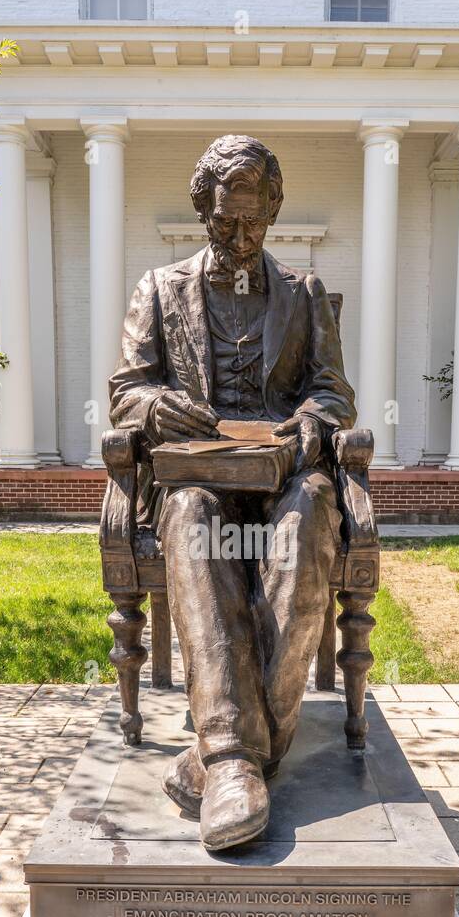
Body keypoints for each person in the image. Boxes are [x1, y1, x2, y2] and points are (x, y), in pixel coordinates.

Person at [109, 135, 356, 849]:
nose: (240, 236)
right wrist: (161, 409)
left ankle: (222, 760)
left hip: (282, 478)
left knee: (313, 513)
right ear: (202, 211)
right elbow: (127, 392)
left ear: (274, 211)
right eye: (224, 223)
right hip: (196, 477)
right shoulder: (160, 289)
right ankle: (240, 755)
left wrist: (306, 432)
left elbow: (332, 393)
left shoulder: (305, 294)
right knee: (189, 515)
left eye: (253, 222)